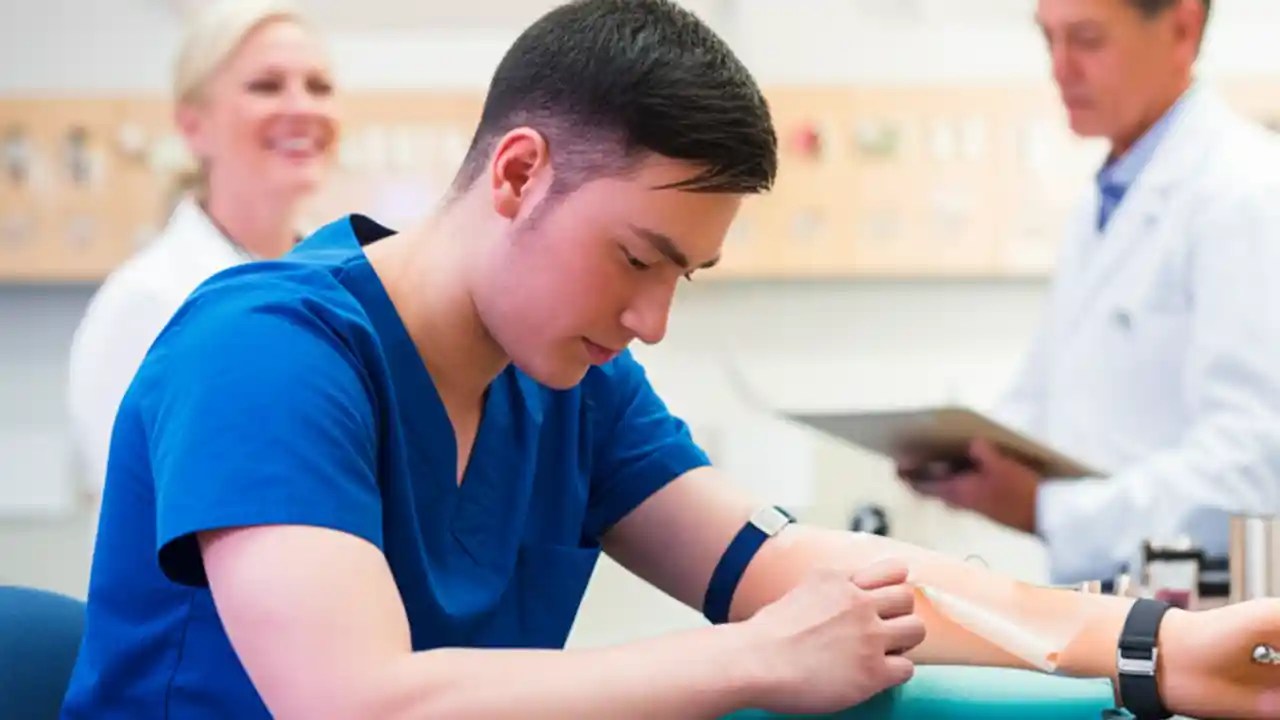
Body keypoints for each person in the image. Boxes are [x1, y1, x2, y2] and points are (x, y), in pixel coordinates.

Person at [61, 1, 1280, 719]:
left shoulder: (568, 385)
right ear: (519, 173)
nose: (650, 321)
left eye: (680, 277)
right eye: (635, 259)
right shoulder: (266, 352)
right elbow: (361, 702)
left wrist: (1151, 647)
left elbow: (793, 565)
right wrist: (754, 657)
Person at [902, 0, 1280, 585]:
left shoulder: (1247, 192)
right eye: (1047, 39)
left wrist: (1046, 509)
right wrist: (960, 453)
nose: (1059, 67)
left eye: (1085, 39)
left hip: (1209, 601)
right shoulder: (1105, 199)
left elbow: (1254, 463)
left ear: (1181, 28)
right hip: (1119, 596)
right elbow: (1051, 399)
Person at [66, 0, 337, 505]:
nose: (303, 107)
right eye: (266, 86)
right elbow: (140, 511)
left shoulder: (343, 286)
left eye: (319, 87)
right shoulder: (146, 302)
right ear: (193, 126)